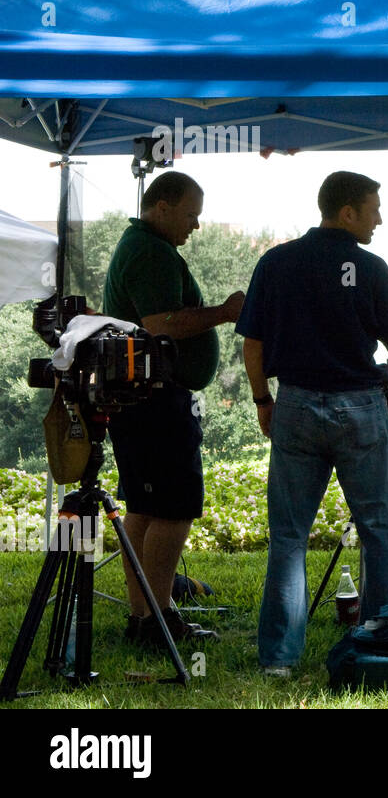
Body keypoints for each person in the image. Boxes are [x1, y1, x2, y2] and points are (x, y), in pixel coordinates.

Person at [237, 171, 388, 675]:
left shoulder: (276, 262)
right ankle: (385, 646)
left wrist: (262, 401)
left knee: (289, 537)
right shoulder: (370, 267)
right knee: (379, 531)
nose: (381, 218)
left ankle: (278, 659)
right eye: (374, 208)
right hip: (360, 407)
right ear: (348, 213)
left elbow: (252, 345)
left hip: (294, 404)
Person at [103, 170, 244, 645]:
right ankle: (159, 617)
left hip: (142, 399)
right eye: (190, 215)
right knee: (172, 508)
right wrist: (224, 313)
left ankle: (143, 617)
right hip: (155, 401)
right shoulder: (149, 251)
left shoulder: (144, 246)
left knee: (144, 507)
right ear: (161, 207)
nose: (195, 226)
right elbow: (160, 323)